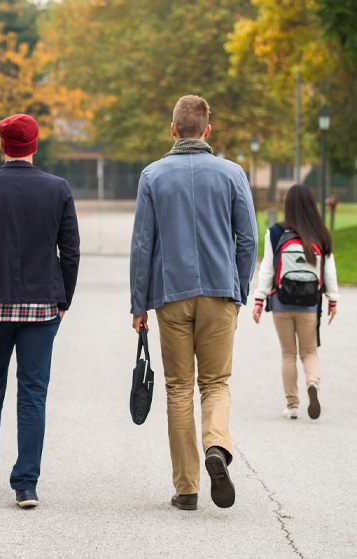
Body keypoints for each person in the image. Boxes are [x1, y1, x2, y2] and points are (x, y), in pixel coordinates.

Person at [130, 95, 258, 511]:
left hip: (172, 295)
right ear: (207, 130)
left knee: (179, 387)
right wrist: (238, 289)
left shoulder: (153, 176)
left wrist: (138, 304)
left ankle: (186, 488)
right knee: (216, 383)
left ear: (173, 130)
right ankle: (216, 446)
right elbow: (249, 240)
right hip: (221, 292)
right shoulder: (232, 174)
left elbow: (142, 245)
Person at [0, 113, 80, 508]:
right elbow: (70, 252)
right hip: (42, 307)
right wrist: (63, 301)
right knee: (32, 393)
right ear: (34, 144)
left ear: (3, 145)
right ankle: (26, 483)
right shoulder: (58, 188)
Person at [252, 184, 338, 420]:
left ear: (287, 205)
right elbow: (328, 271)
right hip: (310, 304)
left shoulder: (276, 233)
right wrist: (333, 300)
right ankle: (313, 384)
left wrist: (259, 299)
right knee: (309, 352)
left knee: (288, 354)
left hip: (282, 303)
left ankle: (292, 405)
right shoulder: (321, 233)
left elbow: (268, 269)